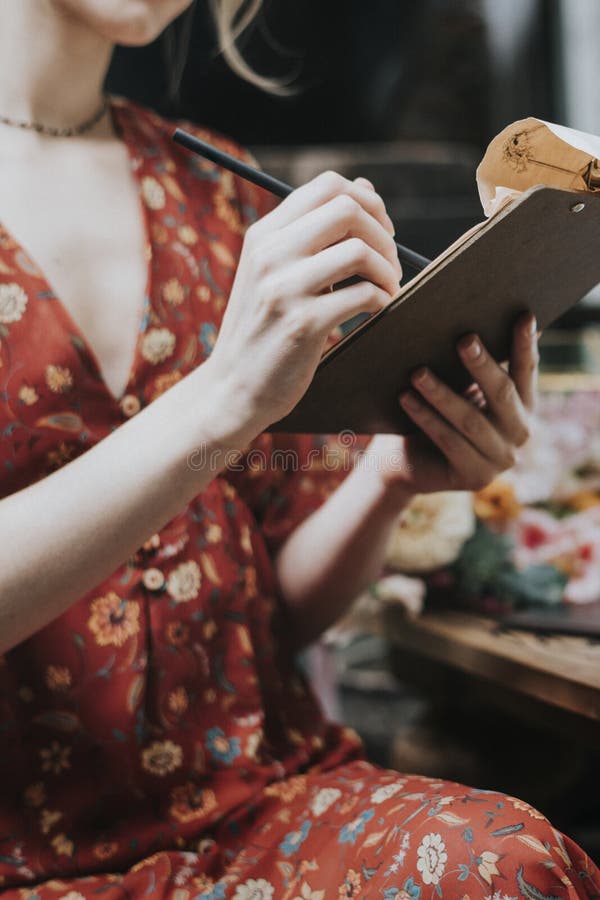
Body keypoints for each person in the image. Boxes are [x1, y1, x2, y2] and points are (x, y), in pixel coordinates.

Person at [0, 2, 597, 898]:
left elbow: (279, 608)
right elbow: (220, 411)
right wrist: (221, 400)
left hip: (258, 807)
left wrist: (393, 476)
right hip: (25, 854)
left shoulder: (213, 186)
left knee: (510, 867)